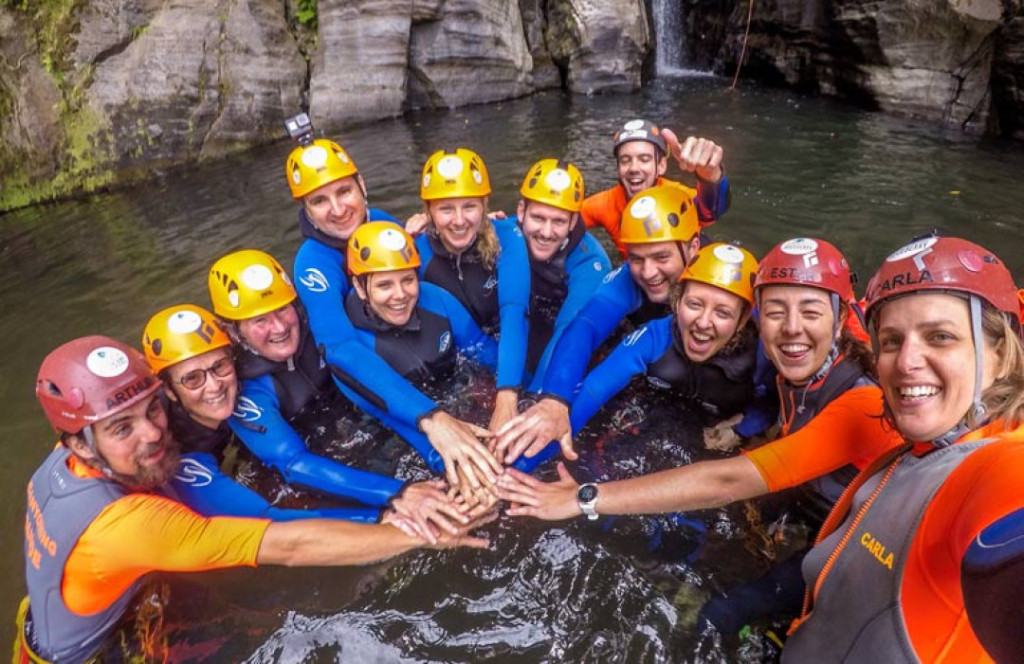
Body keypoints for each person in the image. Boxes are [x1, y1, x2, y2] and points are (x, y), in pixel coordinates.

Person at [496, 238, 903, 632]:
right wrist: (537, 426)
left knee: (717, 617)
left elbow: (726, 480)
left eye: (811, 313)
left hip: (863, 540)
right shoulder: (788, 366)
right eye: (778, 313)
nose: (791, 329)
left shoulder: (848, 393)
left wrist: (583, 498)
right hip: (821, 496)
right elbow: (585, 387)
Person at [18, 336, 490, 664]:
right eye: (123, 428)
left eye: (152, 409)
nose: (154, 433)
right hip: (101, 650)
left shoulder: (60, 460)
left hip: (60, 620)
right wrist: (414, 533)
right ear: (81, 443)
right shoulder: (130, 526)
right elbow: (287, 545)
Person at [782, 236, 1024, 663]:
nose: (906, 361)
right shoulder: (921, 448)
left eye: (941, 336)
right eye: (892, 341)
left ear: (1000, 356)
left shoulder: (995, 465)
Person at [284, 116, 501, 495]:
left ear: (362, 186)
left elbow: (413, 272)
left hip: (416, 347)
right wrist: (431, 419)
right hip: (360, 379)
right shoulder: (313, 264)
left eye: (344, 192)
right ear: (305, 209)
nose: (337, 210)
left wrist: (478, 225)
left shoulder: (383, 222)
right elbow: (340, 351)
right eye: (320, 201)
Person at [207, 249, 469, 539]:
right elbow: (294, 464)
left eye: (282, 309)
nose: (279, 327)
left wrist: (441, 454)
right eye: (259, 321)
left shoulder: (320, 331)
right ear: (234, 332)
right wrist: (397, 494)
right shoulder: (243, 390)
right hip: (300, 467)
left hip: (351, 422)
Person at [495, 184, 702, 467]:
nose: (649, 272)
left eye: (662, 257)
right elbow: (583, 328)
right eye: (637, 258)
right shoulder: (628, 280)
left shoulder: (728, 289)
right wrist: (553, 399)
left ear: (693, 247)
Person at [143, 303, 394, 524]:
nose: (214, 385)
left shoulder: (247, 386)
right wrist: (382, 516)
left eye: (219, 366)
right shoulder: (178, 454)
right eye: (193, 379)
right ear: (169, 390)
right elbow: (267, 521)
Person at [566, 243, 775, 444]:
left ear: (743, 319)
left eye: (722, 313)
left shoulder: (763, 354)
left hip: (716, 430)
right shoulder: (655, 337)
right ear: (677, 300)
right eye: (694, 304)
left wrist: (741, 429)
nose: (703, 323)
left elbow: (777, 403)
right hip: (656, 412)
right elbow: (593, 390)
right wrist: (556, 417)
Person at [415, 147, 531, 434]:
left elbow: (515, 314)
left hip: (509, 346)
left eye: (469, 206)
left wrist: (507, 396)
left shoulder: (507, 236)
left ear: (484, 205)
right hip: (460, 353)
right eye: (445, 208)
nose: (458, 220)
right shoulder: (416, 253)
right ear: (427, 211)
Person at [512, 158, 612, 388]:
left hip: (565, 325)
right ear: (521, 212)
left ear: (573, 221)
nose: (546, 232)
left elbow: (567, 333)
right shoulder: (505, 233)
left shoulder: (590, 262)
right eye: (538, 218)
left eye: (558, 221)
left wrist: (534, 400)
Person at [580, 119, 729, 258]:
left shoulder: (676, 195)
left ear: (661, 166)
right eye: (625, 161)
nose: (634, 168)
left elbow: (710, 211)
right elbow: (565, 217)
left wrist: (710, 175)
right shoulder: (605, 203)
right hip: (636, 272)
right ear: (618, 168)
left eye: (644, 159)